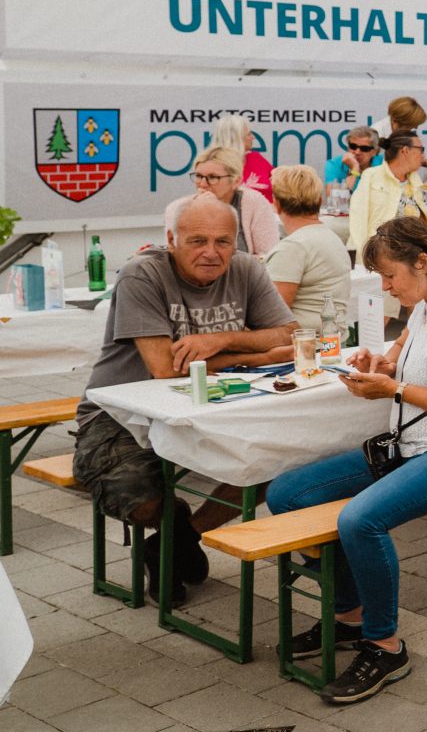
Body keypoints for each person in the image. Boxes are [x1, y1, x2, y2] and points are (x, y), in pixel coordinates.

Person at [266, 218, 427, 704]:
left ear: (423, 261)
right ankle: (350, 615)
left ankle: (384, 644)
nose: (384, 287)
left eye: (388, 275)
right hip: (417, 446)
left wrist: (394, 388)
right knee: (287, 495)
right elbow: (401, 353)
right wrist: (381, 363)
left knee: (360, 520)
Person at [75, 195, 296, 600]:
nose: (211, 252)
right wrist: (256, 356)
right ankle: (173, 521)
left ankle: (178, 539)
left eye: (223, 241)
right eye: (197, 241)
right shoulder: (143, 273)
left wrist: (221, 339)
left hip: (209, 405)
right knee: (141, 499)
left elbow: (289, 334)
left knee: (281, 459)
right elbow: (164, 367)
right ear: (171, 239)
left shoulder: (246, 268)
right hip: (119, 415)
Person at [264, 165, 353, 329]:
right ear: (319, 201)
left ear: (276, 204)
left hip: (305, 340)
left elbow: (270, 316)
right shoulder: (331, 237)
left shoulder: (292, 248)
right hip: (331, 336)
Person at [165, 145, 281, 257]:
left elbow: (269, 256)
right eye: (199, 176)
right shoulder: (176, 209)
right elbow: (178, 257)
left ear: (236, 181)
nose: (203, 184)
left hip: (246, 271)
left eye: (213, 177)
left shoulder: (255, 202)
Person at [348, 134, 427, 259]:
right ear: (405, 151)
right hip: (378, 253)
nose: (423, 156)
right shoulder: (372, 176)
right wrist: (363, 258)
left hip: (408, 253)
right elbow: (358, 221)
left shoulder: (414, 180)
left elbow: (420, 223)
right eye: (421, 149)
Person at [212, 113, 274, 204]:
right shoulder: (213, 166)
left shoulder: (256, 158)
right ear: (236, 138)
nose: (253, 137)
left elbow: (281, 188)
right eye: (249, 134)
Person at [324, 126, 380, 191]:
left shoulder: (384, 163)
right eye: (353, 146)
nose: (357, 152)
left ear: (375, 151)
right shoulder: (334, 164)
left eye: (364, 148)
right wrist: (354, 169)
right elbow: (332, 195)